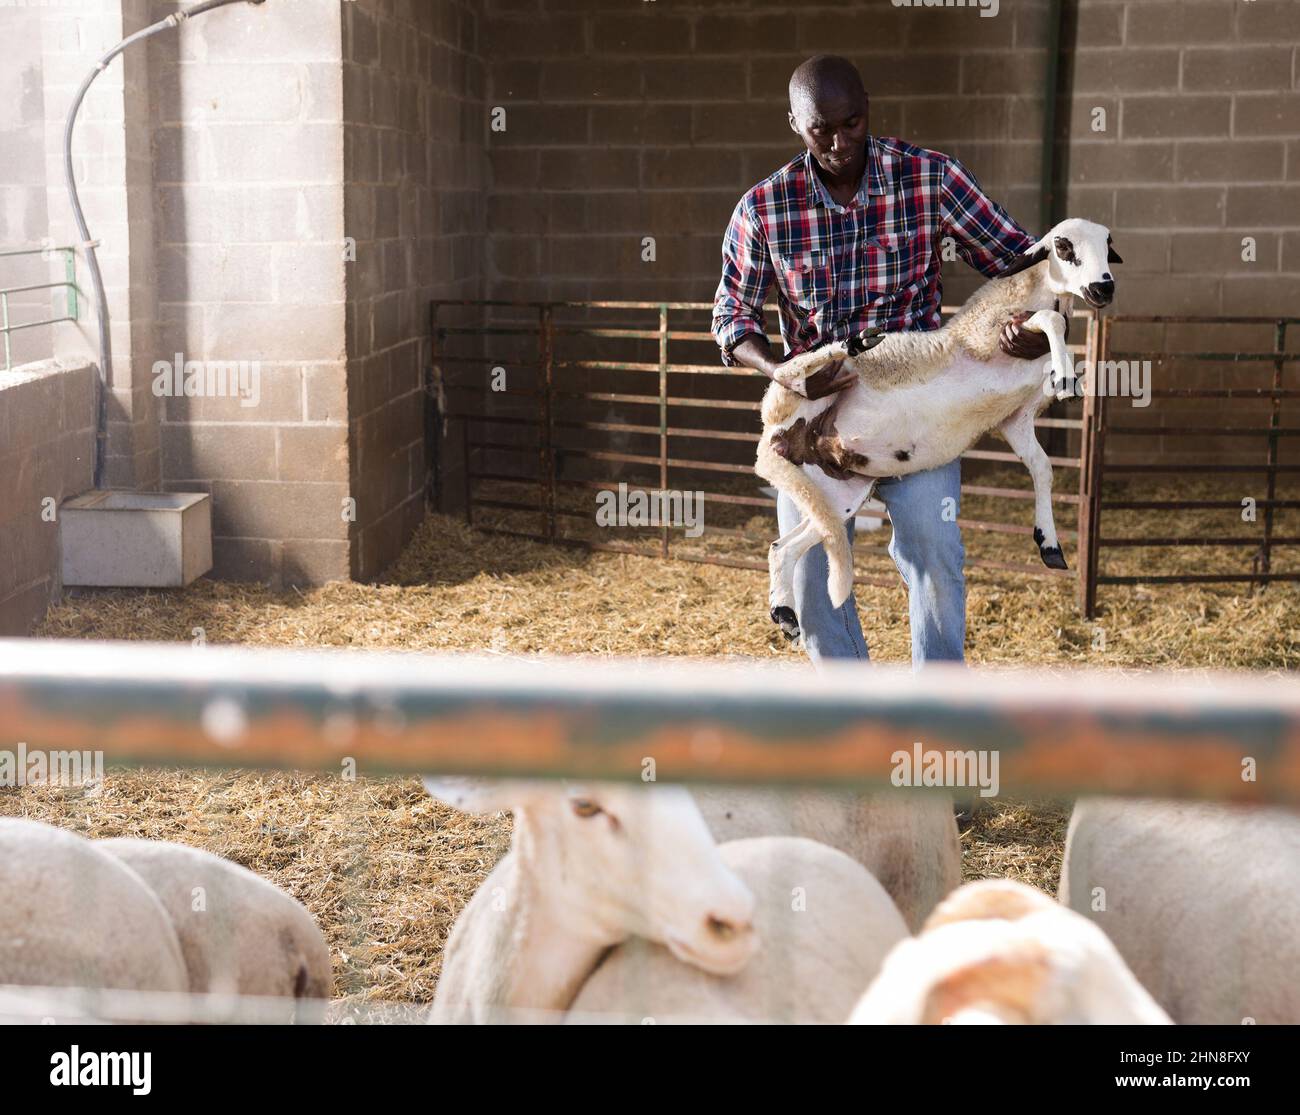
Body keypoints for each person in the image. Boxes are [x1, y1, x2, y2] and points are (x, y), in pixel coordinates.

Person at [712, 55, 1055, 667]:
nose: (841, 142)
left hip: (917, 402)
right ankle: (859, 723)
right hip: (816, 412)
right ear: (795, 123)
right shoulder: (764, 208)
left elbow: (1021, 261)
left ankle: (938, 712)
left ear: (868, 107)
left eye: (853, 121)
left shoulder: (930, 177)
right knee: (813, 580)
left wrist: (1031, 326)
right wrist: (785, 373)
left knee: (934, 550)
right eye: (824, 130)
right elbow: (732, 318)